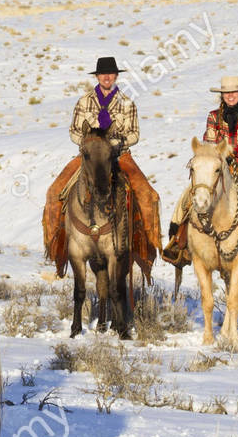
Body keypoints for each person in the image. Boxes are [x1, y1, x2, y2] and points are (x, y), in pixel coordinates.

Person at [42, 56, 161, 275]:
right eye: (102, 74)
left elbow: (134, 133)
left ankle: (147, 248)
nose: (106, 77)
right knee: (54, 191)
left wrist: (115, 144)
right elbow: (74, 131)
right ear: (97, 77)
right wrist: (90, 145)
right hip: (88, 158)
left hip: (119, 156)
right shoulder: (84, 101)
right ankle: (57, 248)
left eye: (110, 74)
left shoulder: (127, 103)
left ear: (116, 76)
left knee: (148, 195)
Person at [162, 75, 238, 265]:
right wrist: (219, 155)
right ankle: (177, 240)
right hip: (218, 165)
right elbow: (210, 142)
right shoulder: (213, 117)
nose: (230, 96)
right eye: (226, 93)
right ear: (222, 95)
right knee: (188, 196)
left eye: (234, 92)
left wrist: (230, 151)